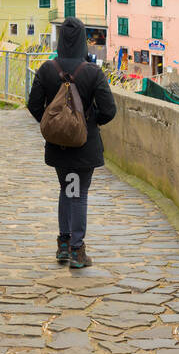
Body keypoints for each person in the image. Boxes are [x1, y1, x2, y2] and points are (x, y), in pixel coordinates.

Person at [26, 17, 117, 269]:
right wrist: (87, 123)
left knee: (67, 190)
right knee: (78, 193)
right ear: (82, 41)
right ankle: (77, 250)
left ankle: (63, 245)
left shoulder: (46, 69)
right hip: (84, 146)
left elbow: (34, 105)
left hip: (58, 146)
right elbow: (109, 110)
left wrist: (55, 126)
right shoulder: (92, 72)